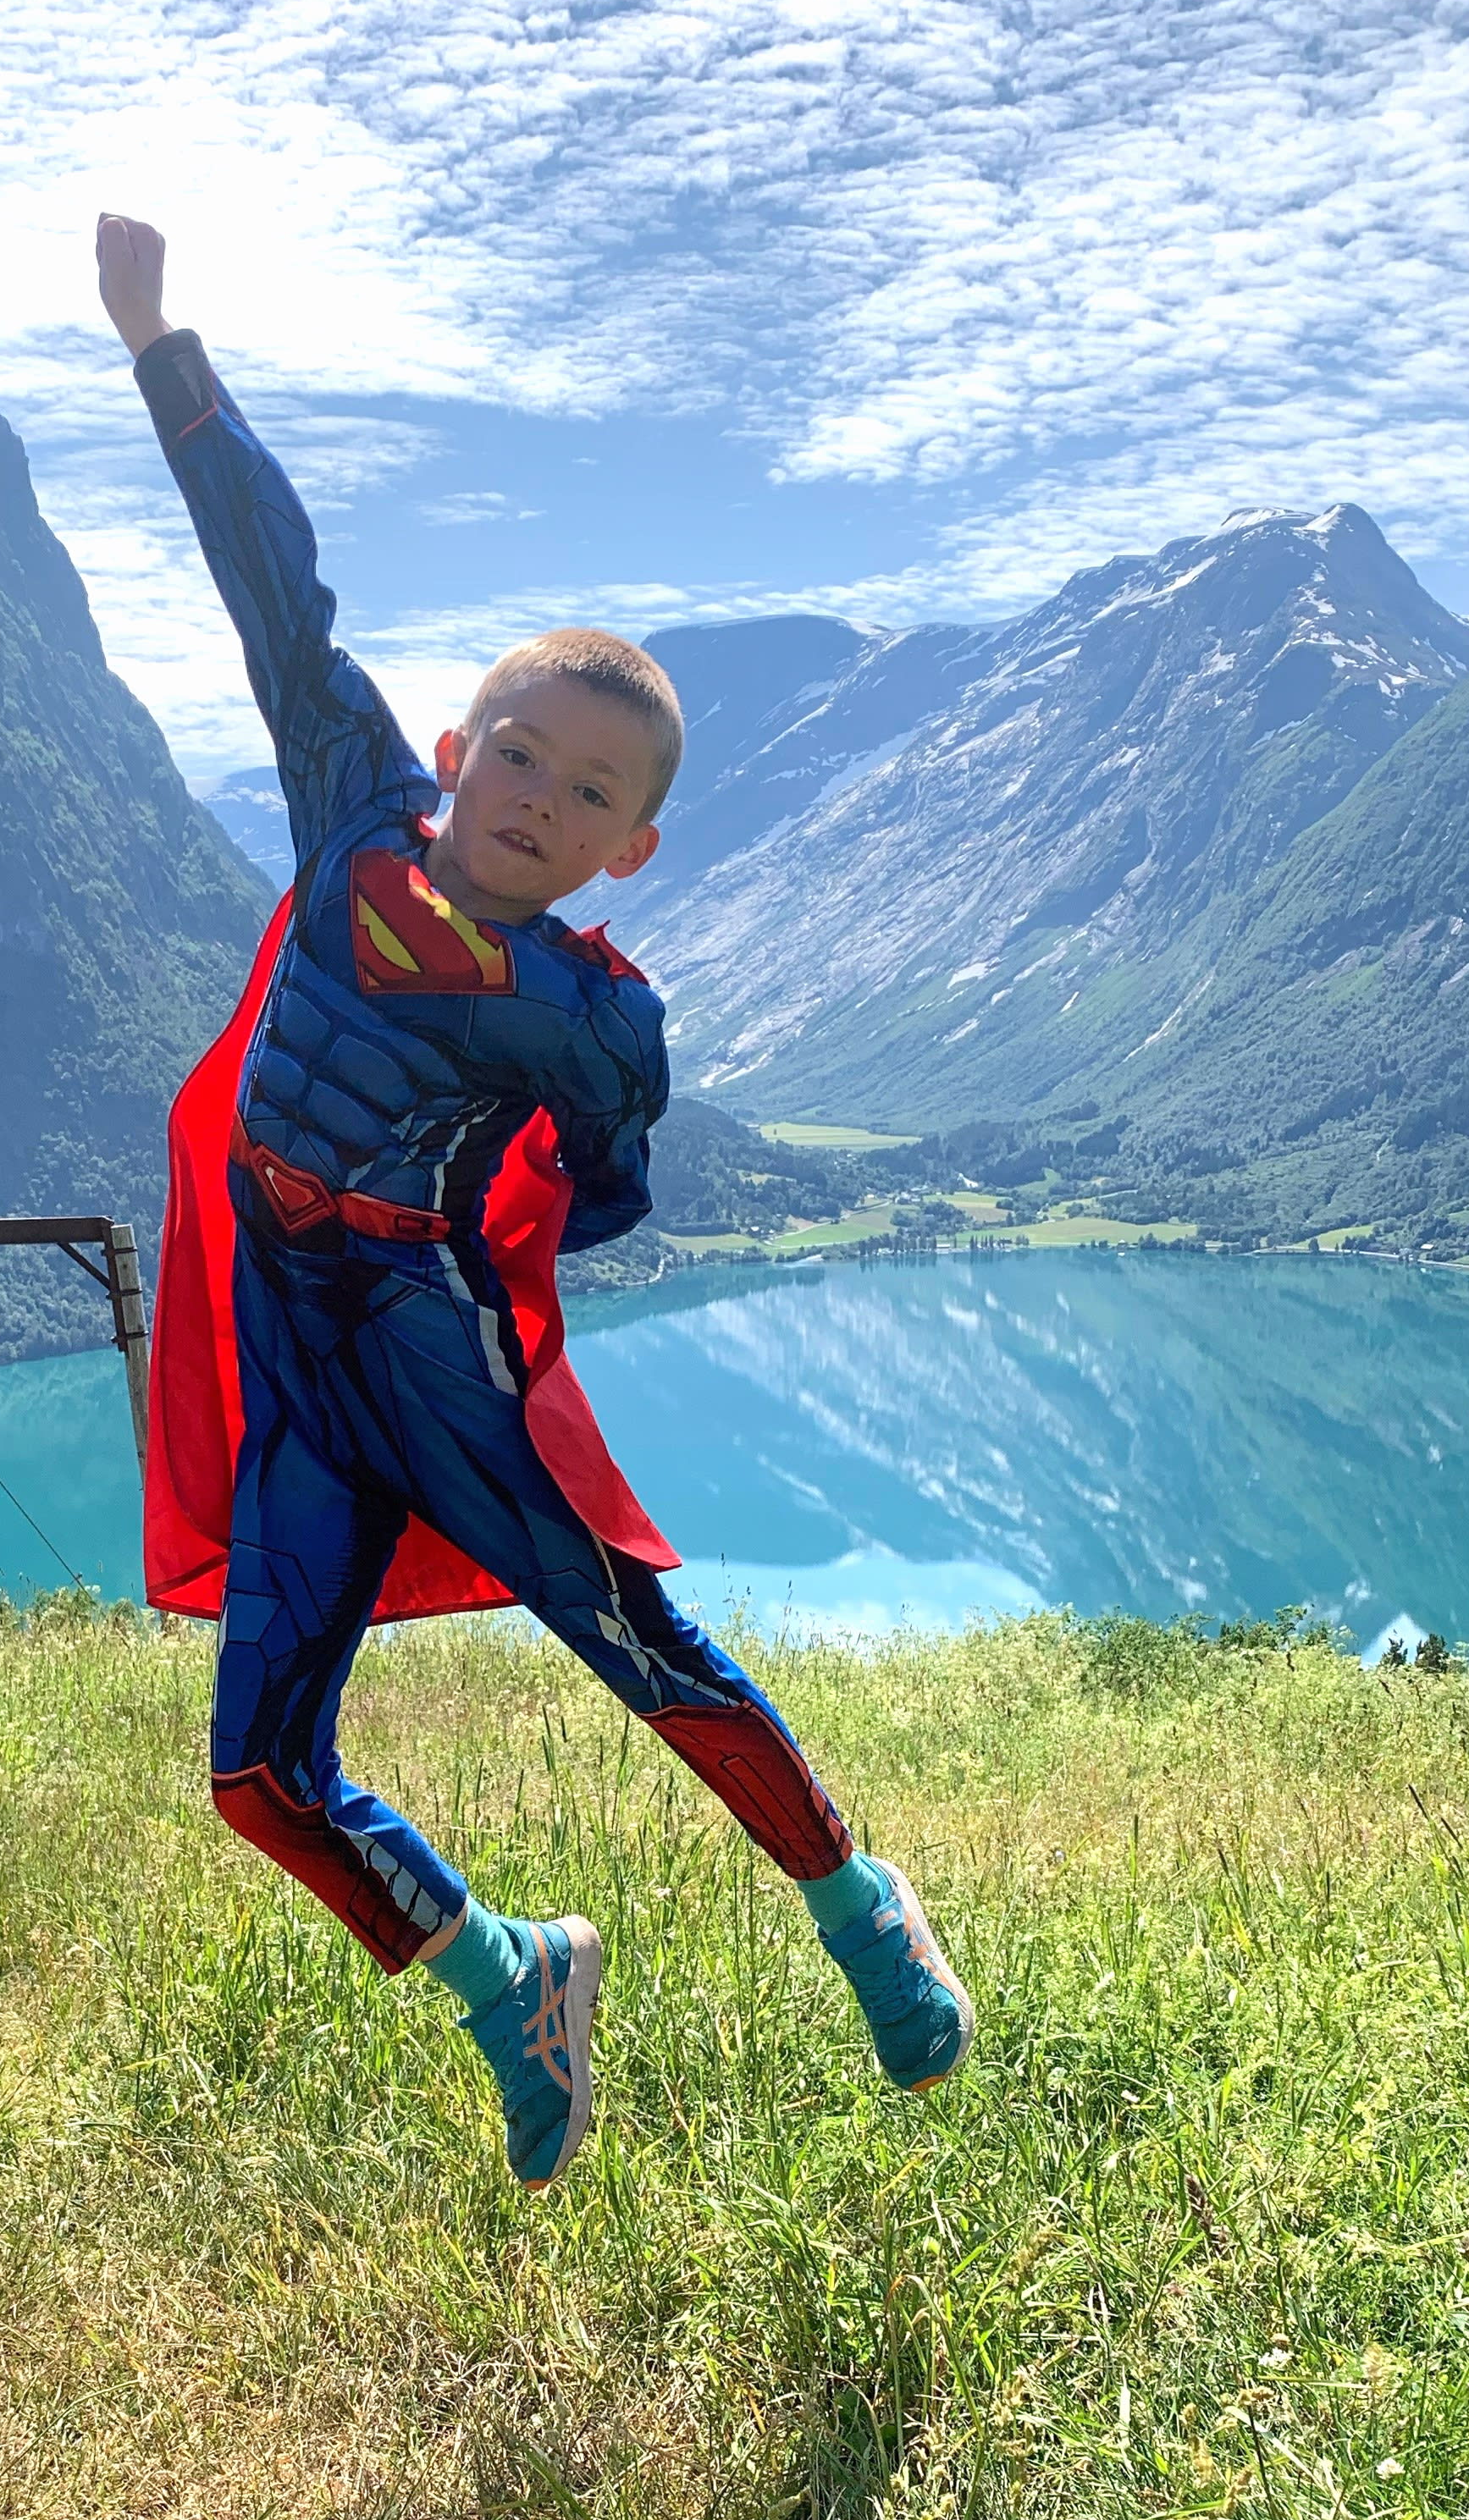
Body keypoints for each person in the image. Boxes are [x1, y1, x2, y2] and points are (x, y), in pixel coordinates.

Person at [99, 212, 969, 2189]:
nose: (539, 797)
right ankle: (514, 1977)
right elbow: (271, 577)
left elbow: (610, 1191)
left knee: (629, 1636)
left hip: (424, 1346)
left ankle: (862, 1909)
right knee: (258, 1776)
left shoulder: (593, 1015)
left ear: (628, 850)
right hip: (293, 1352)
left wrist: (464, 1238)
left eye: (589, 792)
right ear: (452, 749)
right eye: (519, 753)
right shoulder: (349, 806)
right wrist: (162, 347)